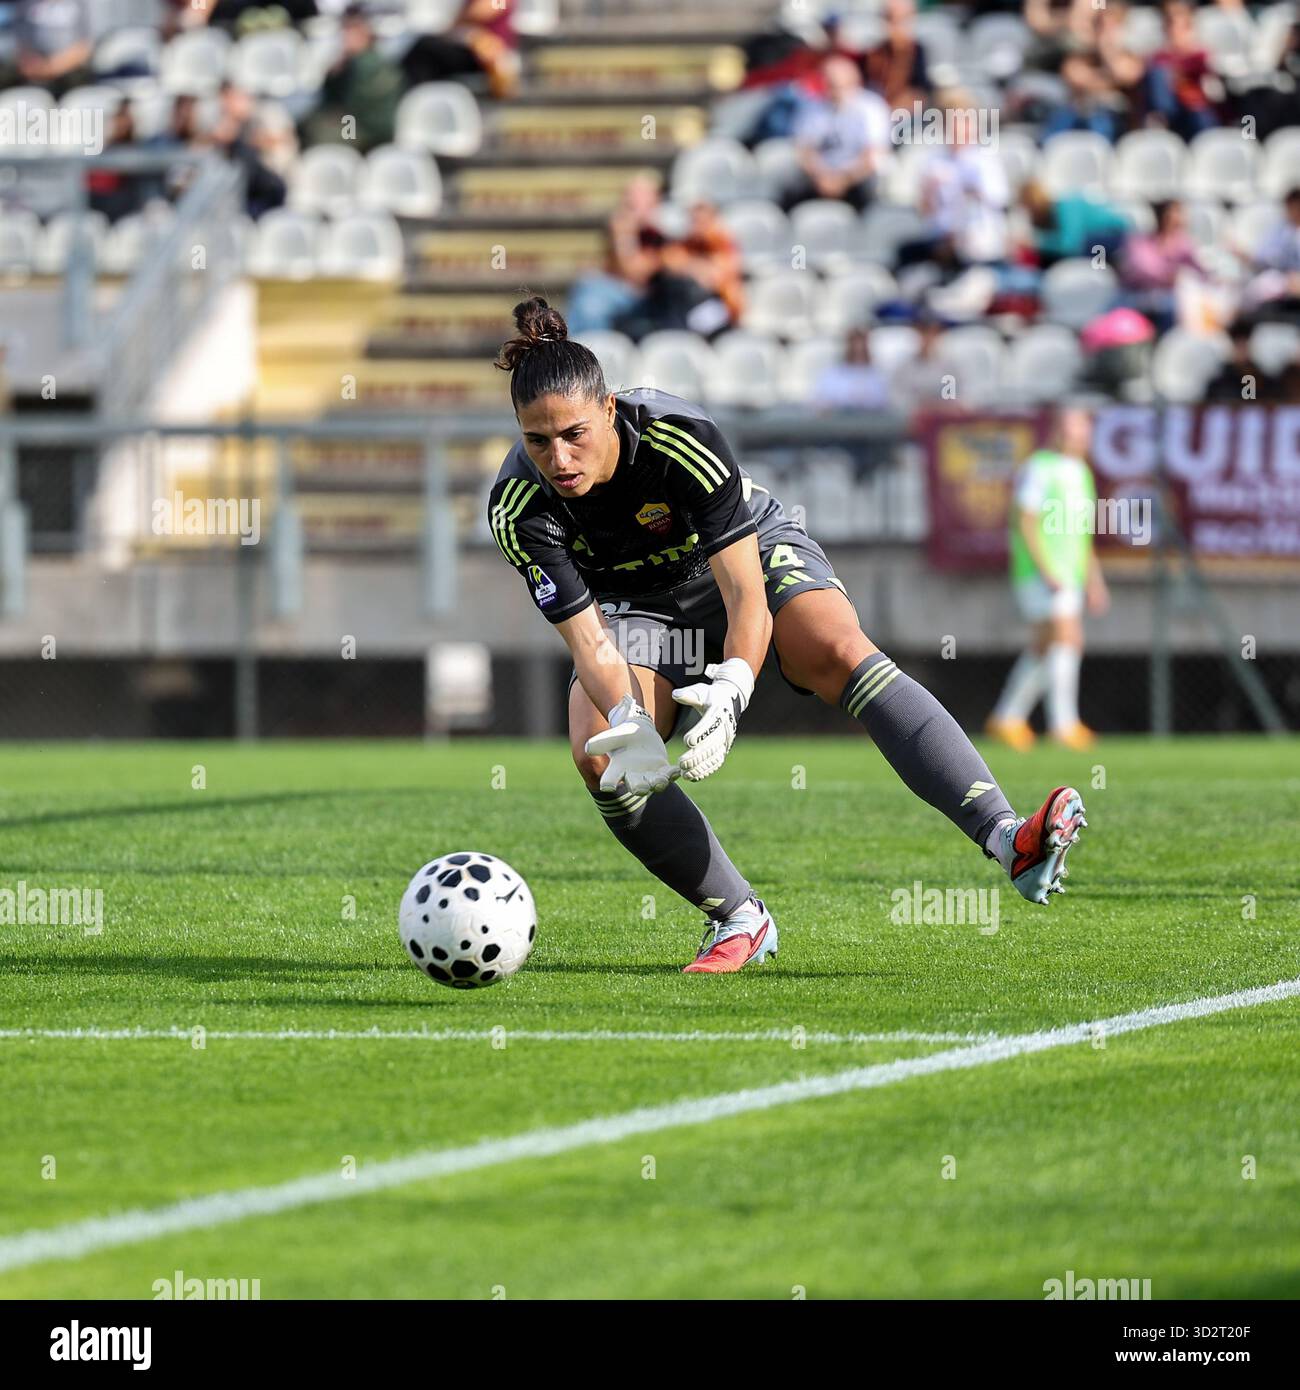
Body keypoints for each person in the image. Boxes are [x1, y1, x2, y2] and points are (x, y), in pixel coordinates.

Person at [487, 296, 1087, 973]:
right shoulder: (519, 506)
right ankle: (738, 918)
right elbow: (590, 640)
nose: (559, 458)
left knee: (836, 649)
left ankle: (1010, 841)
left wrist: (734, 686)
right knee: (602, 758)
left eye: (574, 433)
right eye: (538, 441)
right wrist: (629, 718)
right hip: (639, 607)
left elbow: (745, 590)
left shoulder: (677, 436)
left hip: (743, 559)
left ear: (609, 408)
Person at [987, 406, 1109, 753]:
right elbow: (1025, 520)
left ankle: (1007, 718)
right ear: (1057, 430)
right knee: (1067, 638)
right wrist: (1045, 569)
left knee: (1044, 646)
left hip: (1068, 573)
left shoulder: (1082, 472)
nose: (1076, 435)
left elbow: (1082, 534)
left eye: (1082, 428)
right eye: (1070, 427)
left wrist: (1093, 579)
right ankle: (1063, 724)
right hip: (1042, 573)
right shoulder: (1039, 468)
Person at [784, 54, 892, 212]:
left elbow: (874, 154)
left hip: (858, 180)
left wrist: (843, 180)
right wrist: (822, 178)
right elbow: (804, 150)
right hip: (819, 179)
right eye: (830, 84)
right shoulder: (812, 108)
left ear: (855, 82)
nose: (835, 91)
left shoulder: (872, 108)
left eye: (840, 85)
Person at [302, 3, 402, 152]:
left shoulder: (368, 62)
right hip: (353, 121)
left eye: (352, 30)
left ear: (366, 32)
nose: (345, 35)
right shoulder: (353, 62)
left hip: (365, 127)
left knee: (326, 134)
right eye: (345, 29)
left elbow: (352, 106)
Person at [403, 0, 520, 101]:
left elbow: (485, 11)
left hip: (485, 57)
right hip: (467, 48)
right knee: (423, 56)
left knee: (425, 48)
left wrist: (457, 22)